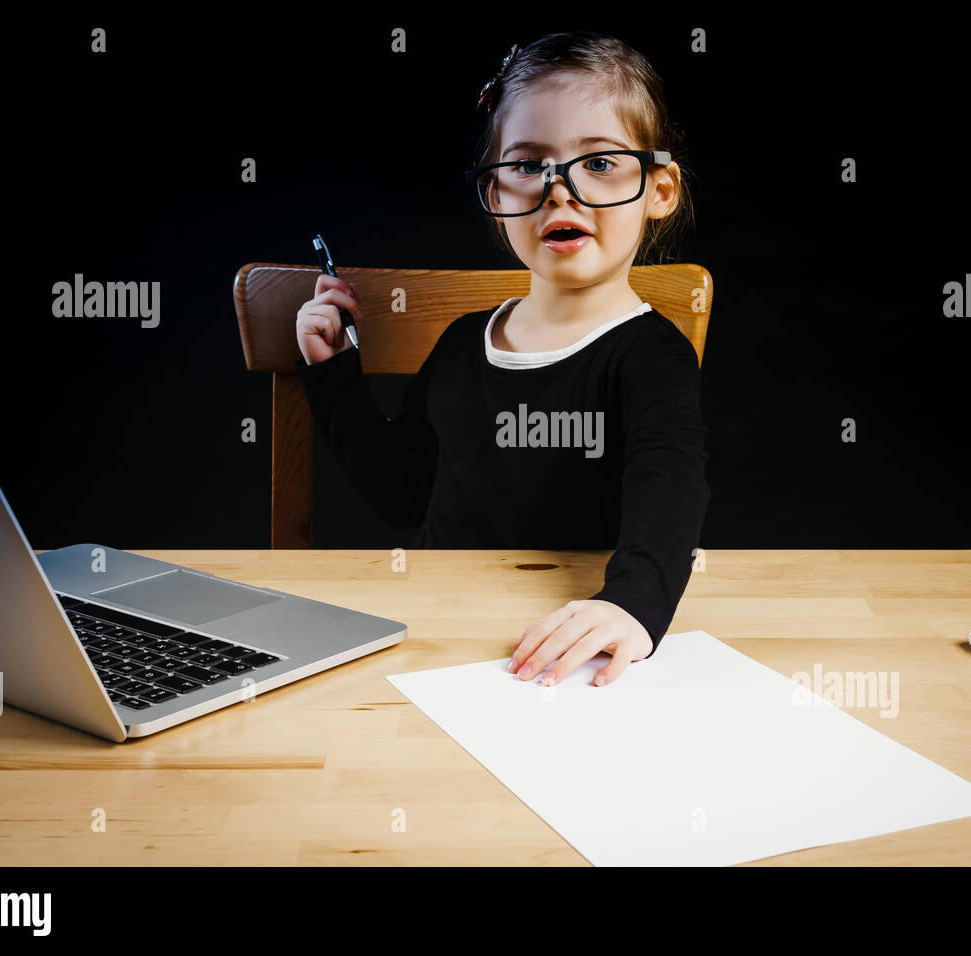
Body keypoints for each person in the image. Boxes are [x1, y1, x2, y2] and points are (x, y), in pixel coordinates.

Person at [294, 31, 709, 688]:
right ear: (494, 195)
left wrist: (631, 605)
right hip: (435, 637)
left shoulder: (651, 357)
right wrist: (334, 373)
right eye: (528, 165)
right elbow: (402, 494)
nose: (560, 191)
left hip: (566, 649)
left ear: (658, 190)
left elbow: (671, 489)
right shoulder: (463, 342)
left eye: (599, 163)